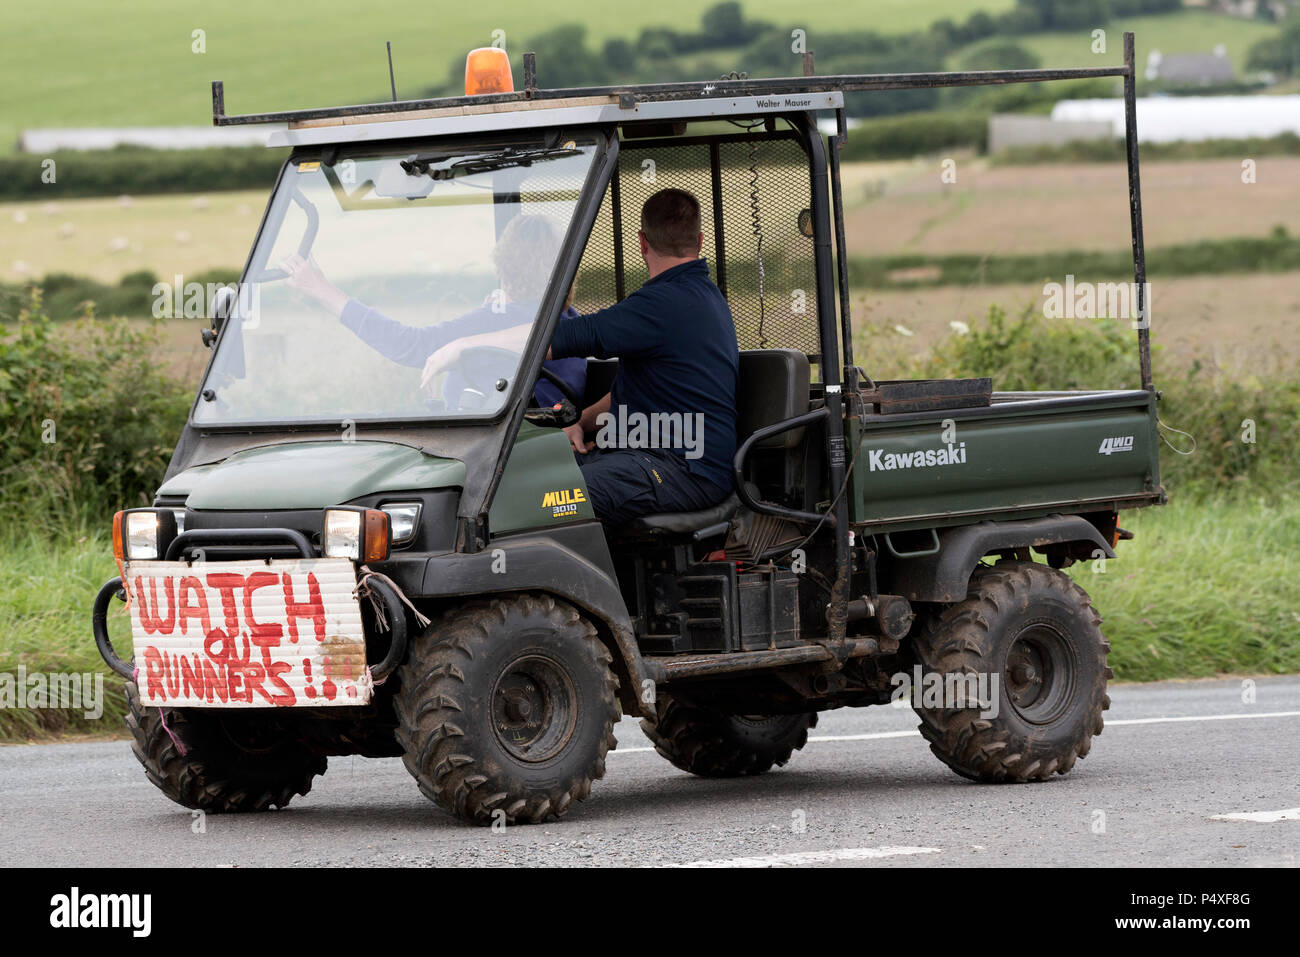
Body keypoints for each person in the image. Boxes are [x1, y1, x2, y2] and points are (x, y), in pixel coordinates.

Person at [425, 188, 739, 525]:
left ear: (642, 242)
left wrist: (460, 348)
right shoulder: (699, 296)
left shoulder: (664, 304)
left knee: (543, 499)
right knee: (518, 478)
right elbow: (637, 393)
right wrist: (579, 422)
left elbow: (552, 339)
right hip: (655, 459)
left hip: (682, 468)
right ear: (701, 240)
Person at [279, 214, 585, 409]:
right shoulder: (566, 317)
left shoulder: (500, 319)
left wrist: (321, 290)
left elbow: (409, 344)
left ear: (504, 264)